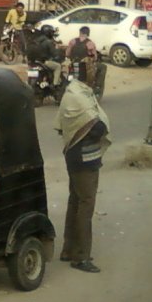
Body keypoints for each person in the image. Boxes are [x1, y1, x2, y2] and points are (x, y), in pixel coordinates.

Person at [54, 59, 111, 273]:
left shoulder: (74, 92)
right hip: (84, 159)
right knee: (86, 204)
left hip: (75, 156)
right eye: (92, 70)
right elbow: (98, 128)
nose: (95, 73)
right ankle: (81, 256)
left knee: (75, 201)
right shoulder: (79, 97)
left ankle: (69, 249)